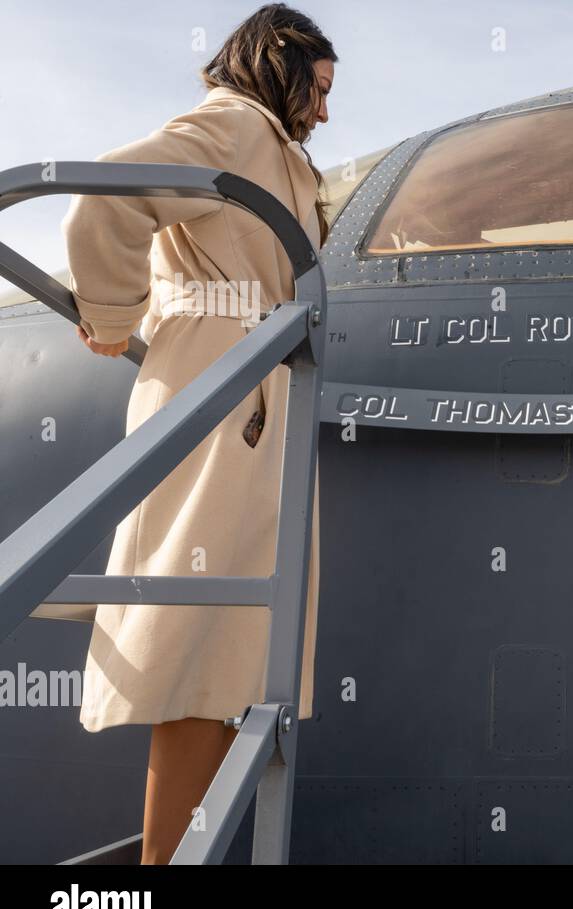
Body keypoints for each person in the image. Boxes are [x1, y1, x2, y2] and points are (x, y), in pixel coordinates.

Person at [61, 3, 336, 864]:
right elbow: (108, 193)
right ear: (278, 67)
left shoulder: (272, 147)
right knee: (200, 644)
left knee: (233, 655)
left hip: (254, 393)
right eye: (317, 88)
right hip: (222, 393)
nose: (323, 112)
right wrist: (114, 315)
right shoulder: (234, 123)